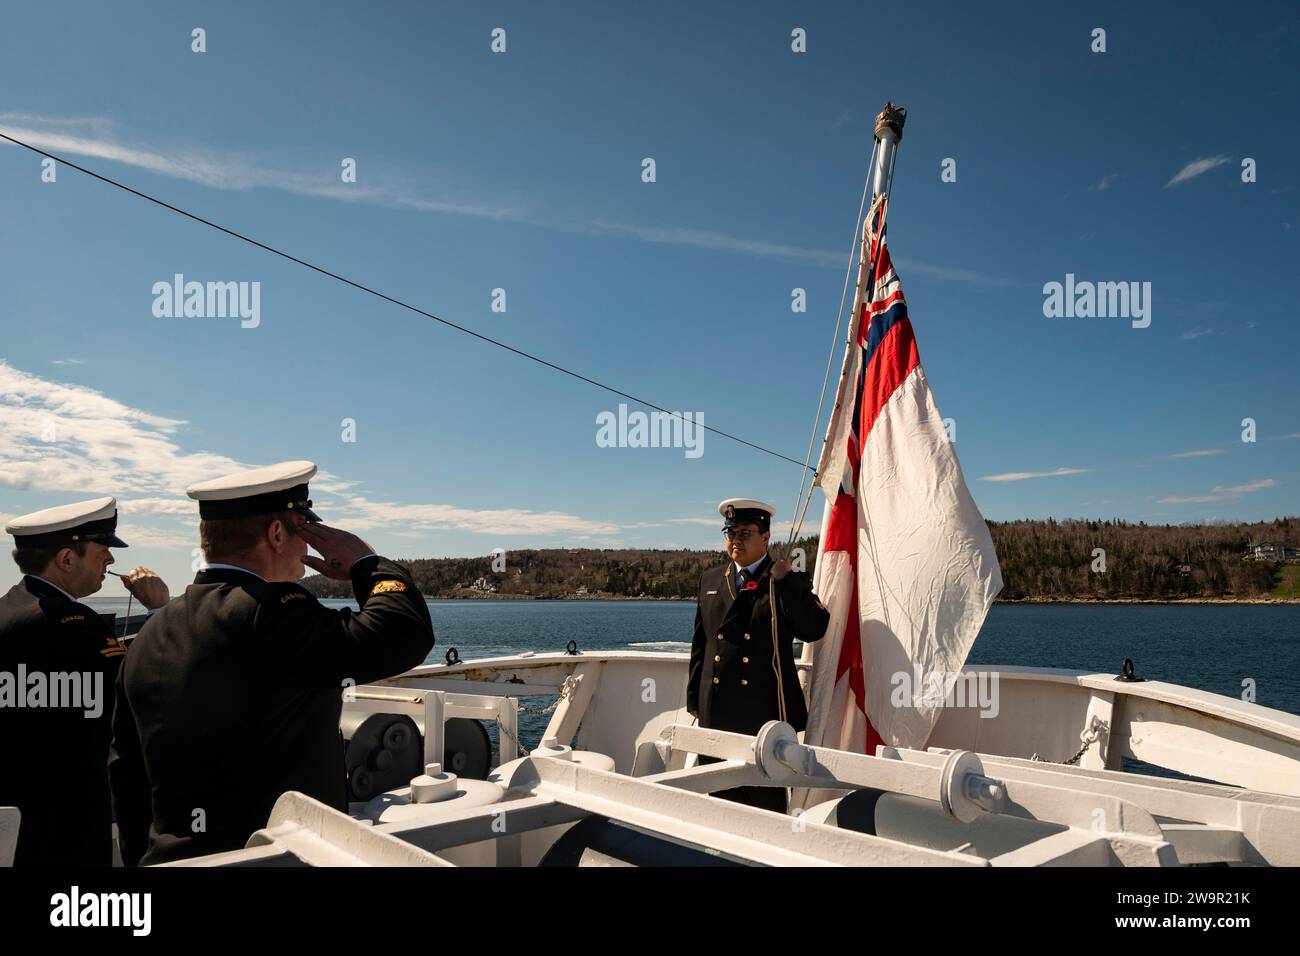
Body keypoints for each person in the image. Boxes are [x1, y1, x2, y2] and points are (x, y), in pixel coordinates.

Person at [108, 460, 434, 865]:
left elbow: (126, 775)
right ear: (278, 533)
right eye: (305, 530)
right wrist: (367, 563)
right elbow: (402, 633)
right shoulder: (269, 613)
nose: (309, 546)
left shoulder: (149, 636)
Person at [0, 497, 169, 866]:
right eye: (102, 551)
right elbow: (147, 694)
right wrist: (159, 612)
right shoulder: (78, 628)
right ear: (65, 559)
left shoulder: (5, 613)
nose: (110, 561)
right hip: (67, 830)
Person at [686, 498, 829, 813]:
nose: (735, 540)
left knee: (762, 802)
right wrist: (695, 699)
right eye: (731, 532)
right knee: (716, 796)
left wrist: (788, 580)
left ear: (766, 538)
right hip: (715, 711)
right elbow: (702, 644)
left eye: (745, 533)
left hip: (762, 712)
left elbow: (815, 627)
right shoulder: (711, 580)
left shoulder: (783, 580)